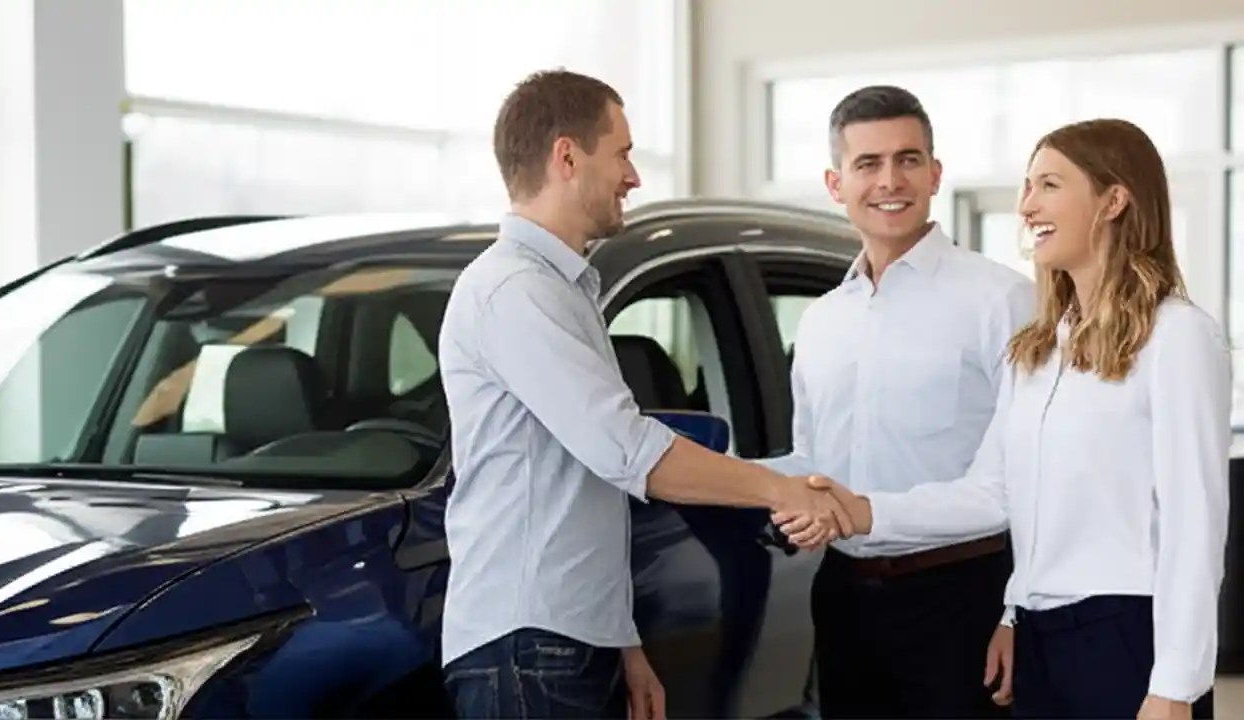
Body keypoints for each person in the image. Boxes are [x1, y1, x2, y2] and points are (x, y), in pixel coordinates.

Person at [781, 117, 1230, 720]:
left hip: (1126, 631)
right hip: (1042, 636)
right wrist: (1012, 612)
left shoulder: (1177, 336)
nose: (1026, 206)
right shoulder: (1041, 348)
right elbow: (998, 493)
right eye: (1026, 186)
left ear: (1114, 199)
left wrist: (1177, 682)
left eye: (1048, 185)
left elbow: (1193, 523)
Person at [436, 69, 847, 720]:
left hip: (562, 639)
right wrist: (782, 489)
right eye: (623, 153)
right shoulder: (515, 292)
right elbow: (628, 450)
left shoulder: (559, 290)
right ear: (566, 156)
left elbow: (577, 490)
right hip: (528, 647)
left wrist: (622, 641)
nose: (633, 176)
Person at [756, 84, 1036, 718]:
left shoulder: (1002, 302)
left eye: (908, 160)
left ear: (935, 173)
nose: (891, 180)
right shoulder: (822, 321)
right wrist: (711, 473)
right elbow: (812, 458)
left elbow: (1034, 479)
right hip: (842, 597)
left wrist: (1018, 616)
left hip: (963, 596)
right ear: (835, 183)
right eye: (868, 164)